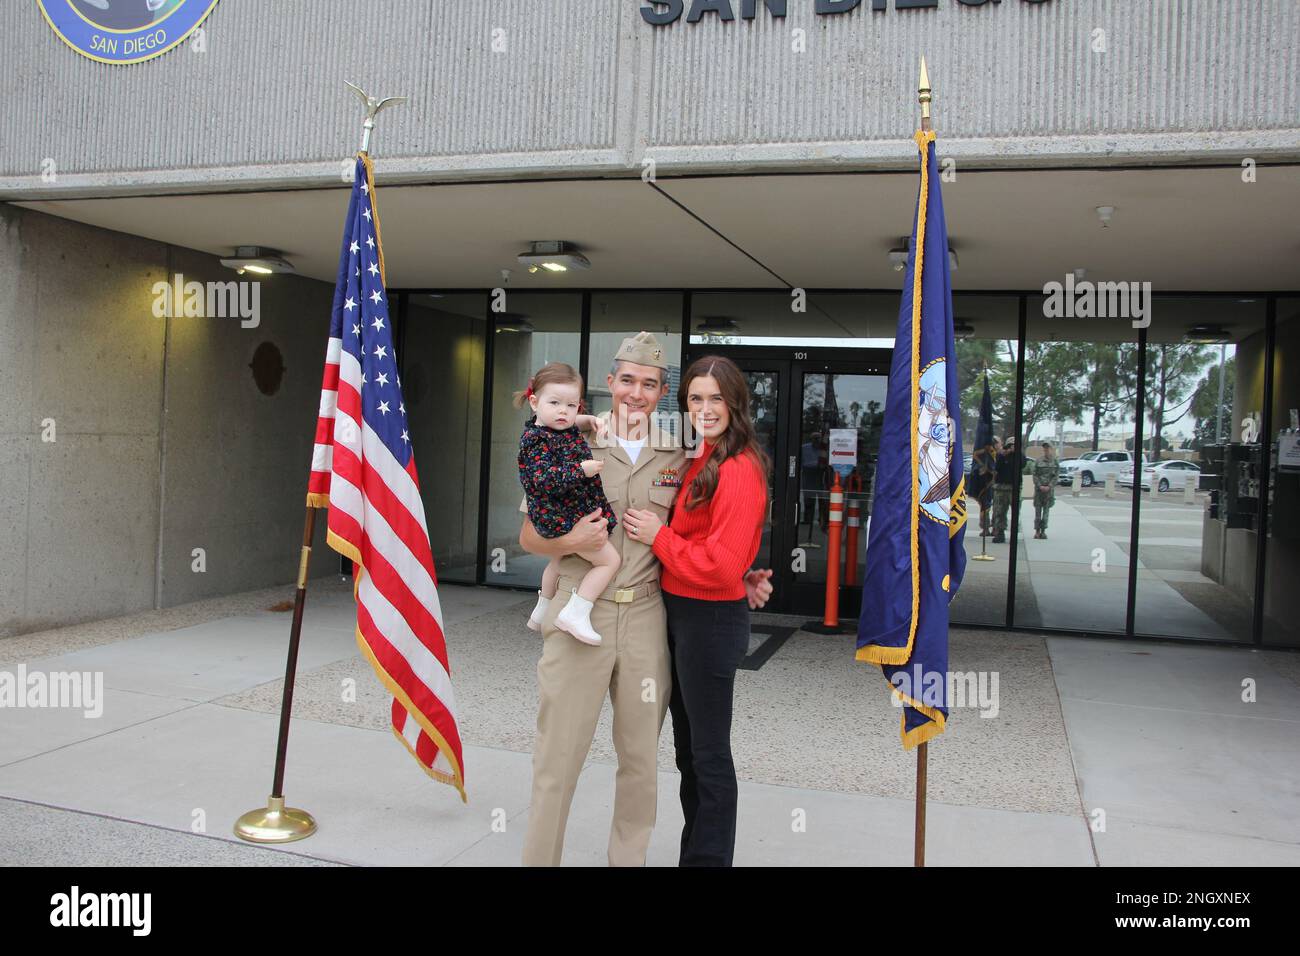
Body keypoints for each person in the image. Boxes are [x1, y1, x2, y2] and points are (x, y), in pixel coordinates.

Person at [516, 332, 774, 867]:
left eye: (650, 384)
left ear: (662, 392)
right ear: (609, 384)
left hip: (650, 617)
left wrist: (739, 575)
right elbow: (527, 538)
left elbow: (707, 523)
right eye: (627, 380)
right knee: (556, 761)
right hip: (578, 614)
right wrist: (571, 543)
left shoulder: (682, 449)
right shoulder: (568, 439)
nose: (636, 393)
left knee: (640, 764)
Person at [624, 355, 769, 867]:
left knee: (708, 757)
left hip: (709, 623)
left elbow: (719, 566)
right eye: (694, 398)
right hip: (682, 615)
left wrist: (658, 537)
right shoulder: (702, 455)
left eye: (715, 398)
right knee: (689, 754)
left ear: (735, 402)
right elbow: (723, 550)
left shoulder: (739, 466)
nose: (705, 408)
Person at [516, 362, 620, 645]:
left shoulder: (552, 425)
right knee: (609, 561)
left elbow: (568, 420)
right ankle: (577, 612)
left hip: (562, 514)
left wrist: (589, 421)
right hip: (562, 516)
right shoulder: (534, 441)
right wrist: (581, 470)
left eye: (572, 405)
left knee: (559, 559)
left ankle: (542, 609)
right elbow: (544, 479)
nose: (564, 412)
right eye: (555, 403)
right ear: (535, 402)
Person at [991, 435, 1022, 544]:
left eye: (1014, 446)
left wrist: (1017, 453)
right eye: (1010, 445)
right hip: (1001, 488)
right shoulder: (1001, 455)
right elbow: (996, 467)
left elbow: (1023, 464)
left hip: (1014, 488)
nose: (1012, 448)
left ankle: (1014, 533)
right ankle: (1000, 533)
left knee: (1015, 512)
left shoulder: (1019, 456)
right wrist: (1004, 454)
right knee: (1000, 512)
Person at [1033, 441, 1060, 539]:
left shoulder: (1055, 462)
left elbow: (1056, 476)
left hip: (1049, 491)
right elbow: (1035, 474)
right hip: (1039, 490)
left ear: (1051, 449)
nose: (1046, 449)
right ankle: (1037, 531)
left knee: (1046, 512)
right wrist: (1040, 485)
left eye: (1048, 448)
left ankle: (1043, 531)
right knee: (1037, 511)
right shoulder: (1038, 460)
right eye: (1044, 448)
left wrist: (1049, 486)